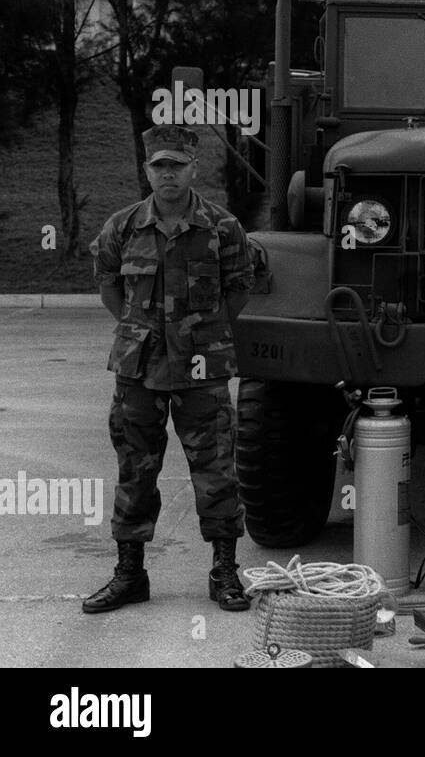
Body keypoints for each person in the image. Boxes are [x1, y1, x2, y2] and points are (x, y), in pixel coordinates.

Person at [84, 125, 255, 614]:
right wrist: (142, 332)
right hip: (139, 370)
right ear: (147, 171)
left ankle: (225, 572)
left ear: (193, 169)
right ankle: (129, 574)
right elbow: (110, 289)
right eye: (159, 166)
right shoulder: (122, 227)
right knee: (135, 470)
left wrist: (201, 332)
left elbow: (239, 289)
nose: (168, 174)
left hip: (203, 366)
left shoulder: (223, 229)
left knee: (217, 470)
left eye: (177, 166)